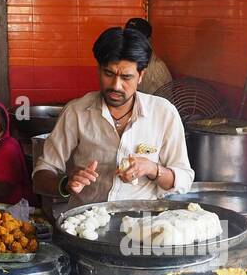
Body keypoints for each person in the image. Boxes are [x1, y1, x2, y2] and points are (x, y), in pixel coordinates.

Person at [33, 25, 193, 207]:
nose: (116, 85)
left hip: (142, 225)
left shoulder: (163, 113)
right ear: (98, 69)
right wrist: (65, 183)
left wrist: (152, 169)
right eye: (108, 74)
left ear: (141, 76)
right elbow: (41, 173)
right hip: (87, 224)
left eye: (126, 77)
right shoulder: (77, 112)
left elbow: (184, 179)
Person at [125, 17, 173, 95]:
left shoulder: (156, 69)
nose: (130, 41)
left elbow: (157, 104)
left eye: (136, 38)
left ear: (149, 41)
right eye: (127, 36)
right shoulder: (126, 60)